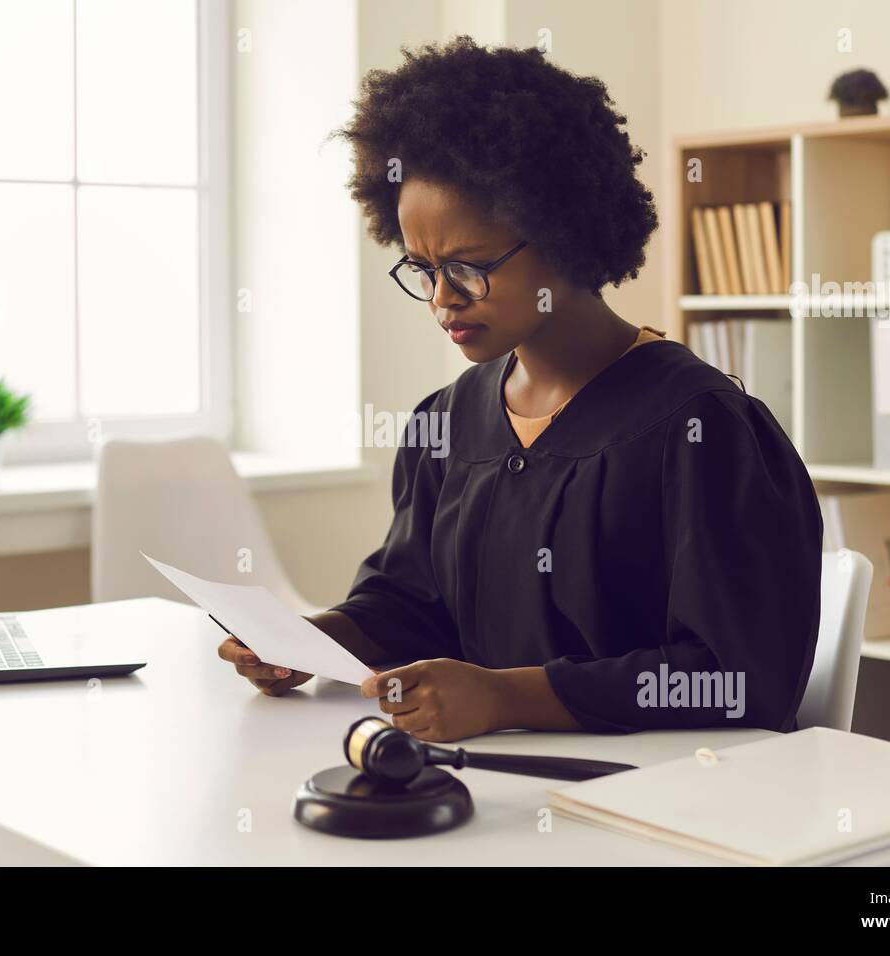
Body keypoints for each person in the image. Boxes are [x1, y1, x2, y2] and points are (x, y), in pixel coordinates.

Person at [218, 37, 823, 742]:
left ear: (563, 236)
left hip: (657, 802)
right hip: (491, 793)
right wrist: (314, 642)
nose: (442, 299)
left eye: (469, 268)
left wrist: (505, 699)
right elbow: (413, 603)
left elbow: (739, 676)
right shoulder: (444, 423)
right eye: (422, 269)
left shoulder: (700, 428)